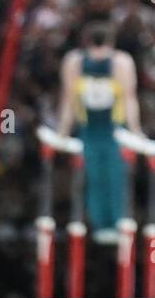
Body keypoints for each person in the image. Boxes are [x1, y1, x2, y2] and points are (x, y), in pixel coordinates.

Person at [55, 23, 142, 244]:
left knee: (108, 175)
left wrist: (135, 133)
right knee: (98, 176)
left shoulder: (119, 63)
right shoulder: (76, 62)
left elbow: (128, 99)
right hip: (91, 128)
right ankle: (103, 223)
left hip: (112, 129)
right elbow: (69, 99)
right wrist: (62, 133)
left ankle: (112, 222)